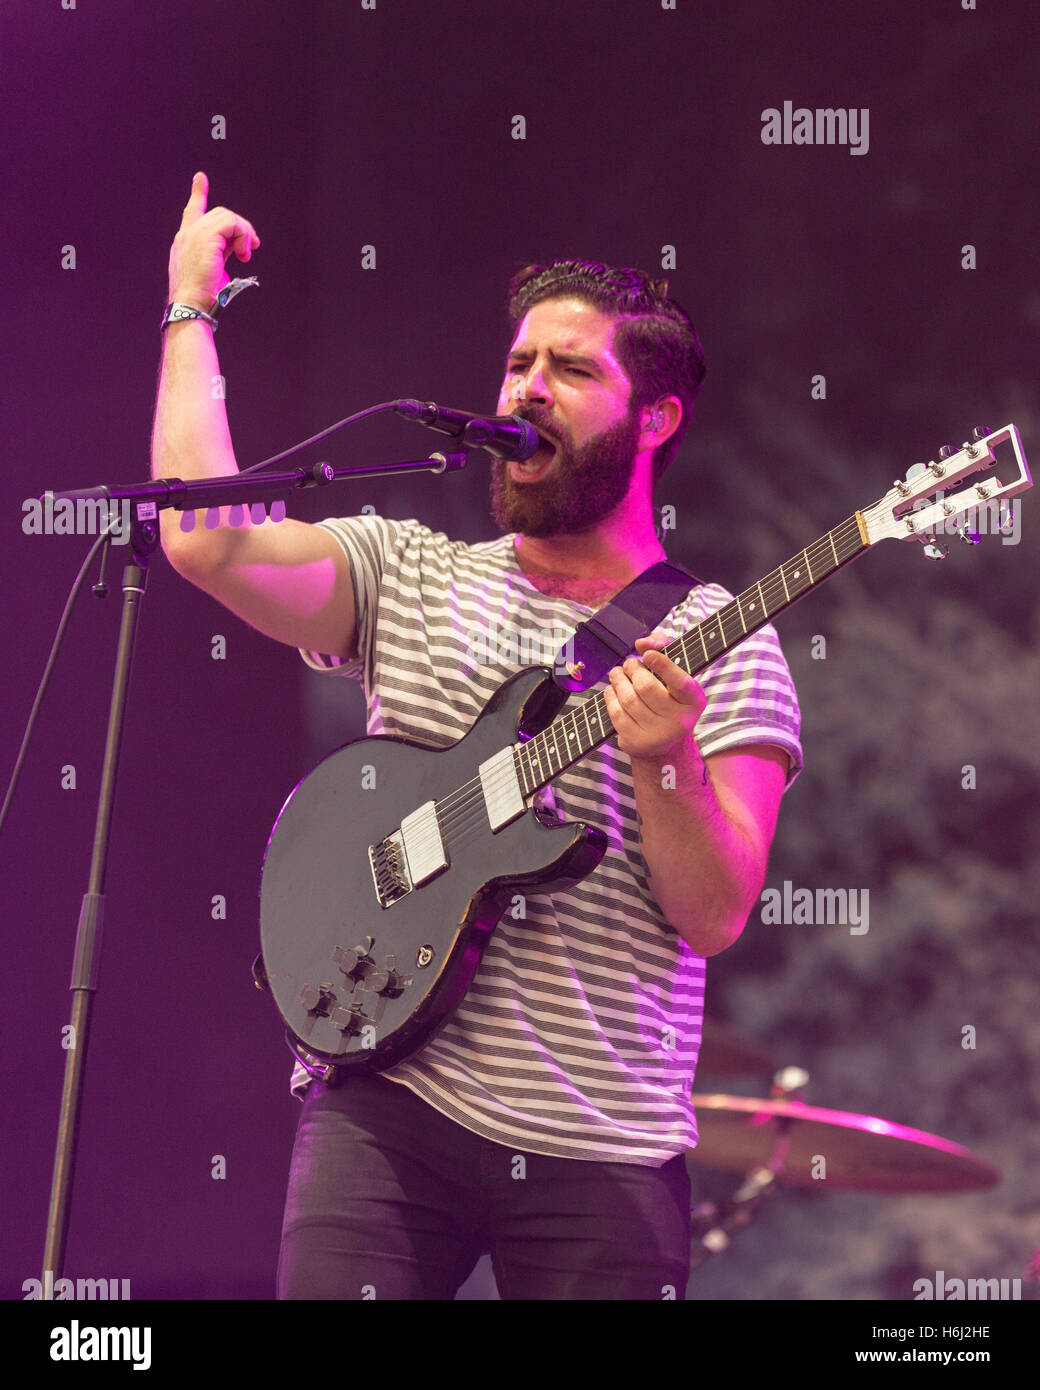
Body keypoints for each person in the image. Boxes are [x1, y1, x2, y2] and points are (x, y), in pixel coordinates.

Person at [152, 172, 802, 1300]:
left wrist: (665, 759)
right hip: (390, 1106)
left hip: (604, 1147)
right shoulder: (411, 573)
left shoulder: (721, 643)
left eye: (571, 369)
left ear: (654, 420)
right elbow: (206, 543)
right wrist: (188, 312)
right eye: (517, 364)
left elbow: (713, 911)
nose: (529, 388)